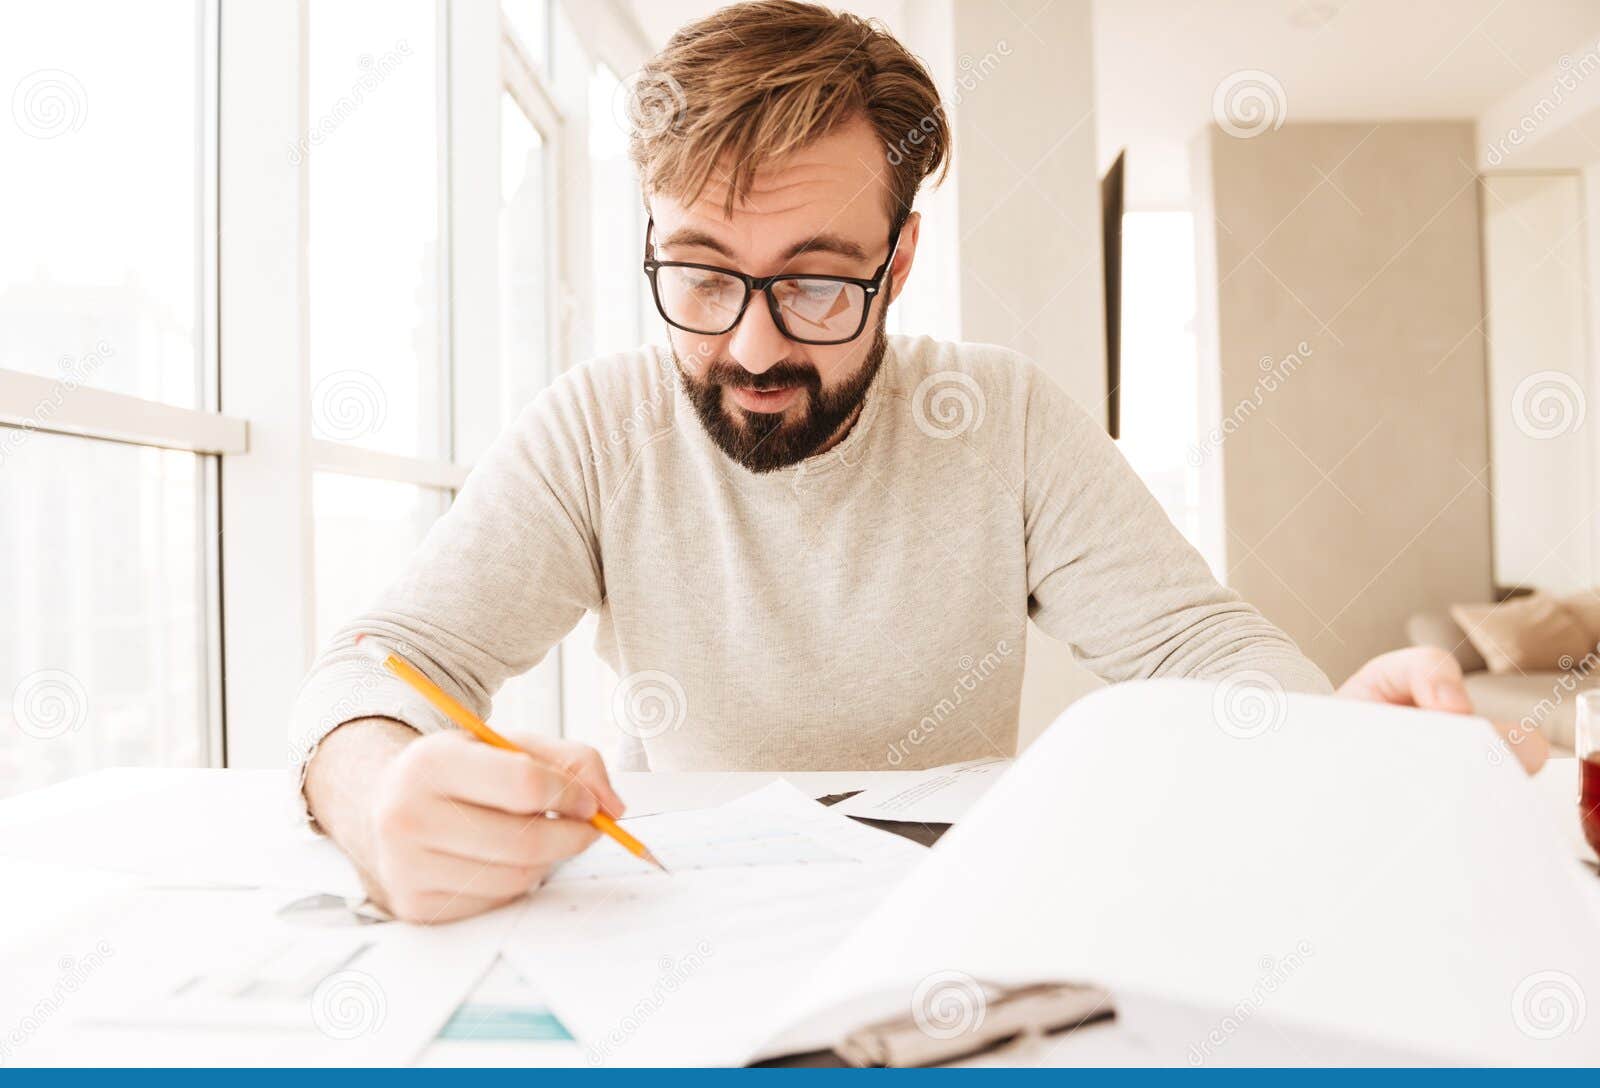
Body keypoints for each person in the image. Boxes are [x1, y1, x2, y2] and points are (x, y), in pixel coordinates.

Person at [291, 0, 1546, 923]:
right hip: (685, 925)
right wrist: (374, 795)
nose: (750, 343)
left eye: (819, 280)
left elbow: (1197, 653)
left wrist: (1338, 742)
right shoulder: (597, 425)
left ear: (897, 261)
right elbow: (383, 662)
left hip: (961, 933)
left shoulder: (999, 415)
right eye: (701, 271)